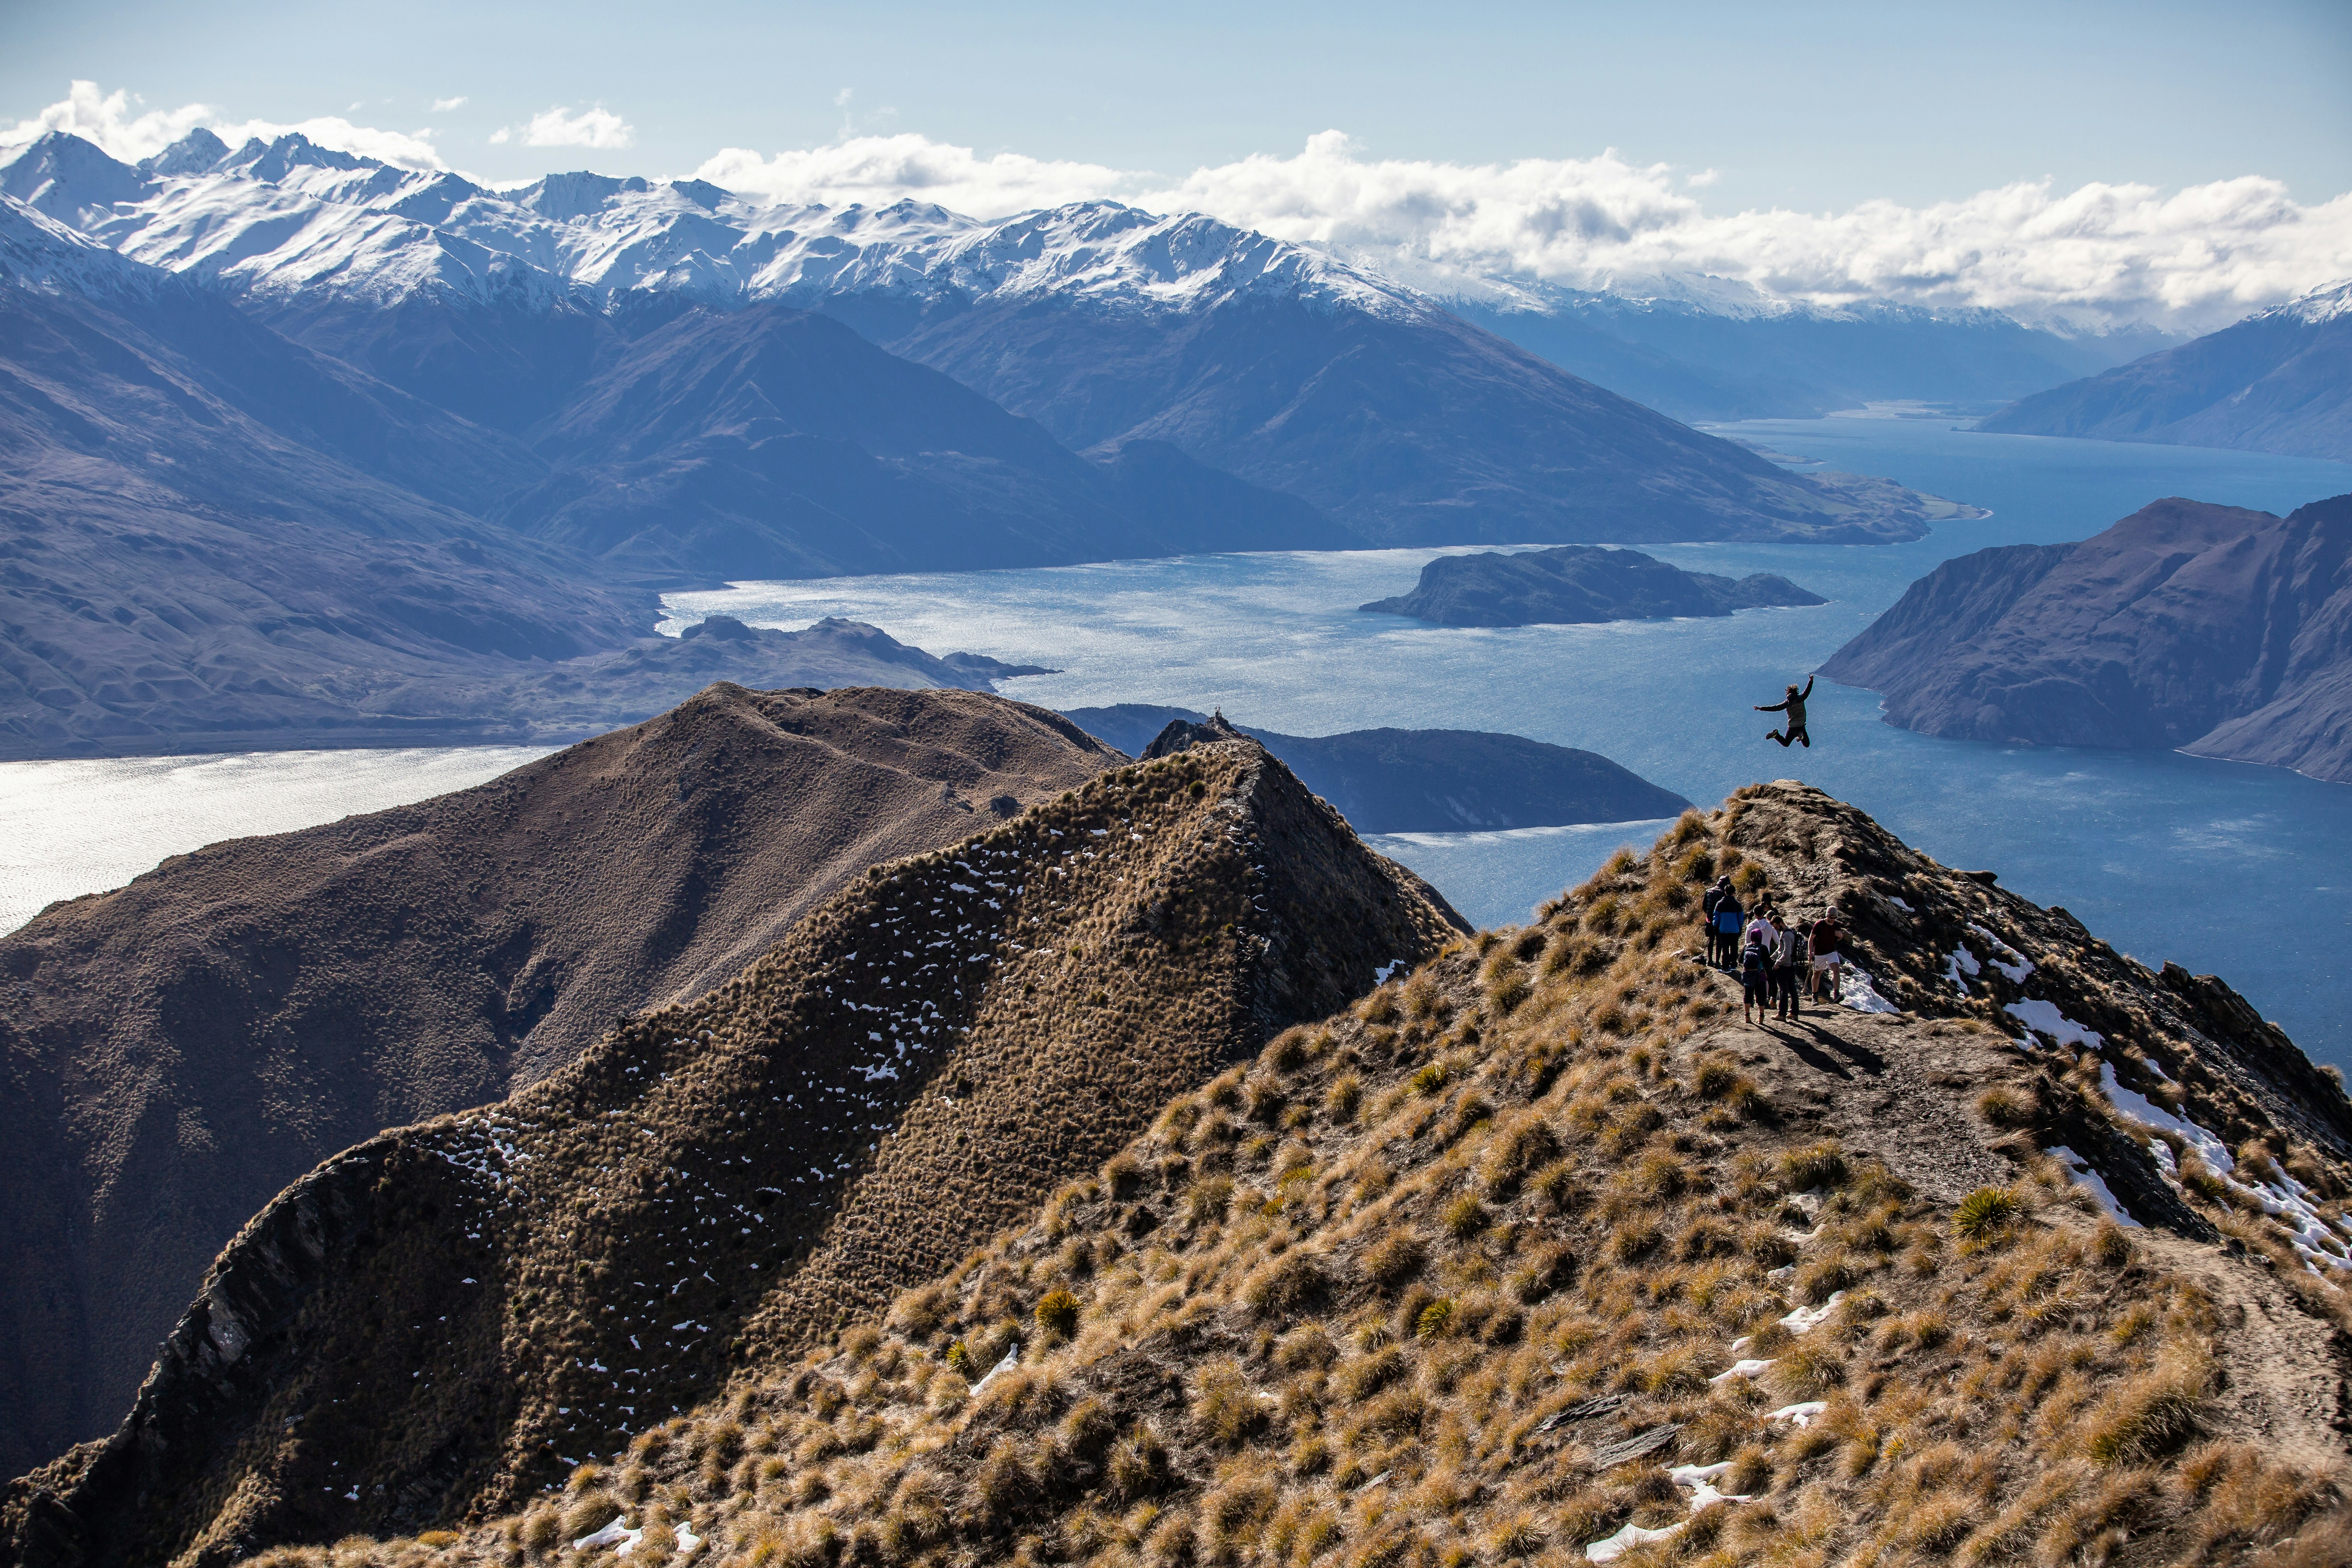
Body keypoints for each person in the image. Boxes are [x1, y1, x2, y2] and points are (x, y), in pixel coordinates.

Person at [1757, 675, 1815, 748]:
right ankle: (1801, 736)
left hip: (1792, 727)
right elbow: (1807, 691)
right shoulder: (1800, 699)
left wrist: (1761, 708)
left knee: (1786, 743)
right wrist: (1811, 681)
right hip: (1801, 726)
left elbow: (1775, 708)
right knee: (1807, 745)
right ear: (1796, 692)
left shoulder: (1787, 703)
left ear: (1788, 693)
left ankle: (1776, 735)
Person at [1773, 915, 1809, 1021]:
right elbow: (1781, 949)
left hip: (1785, 966)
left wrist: (1778, 963)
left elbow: (1786, 953)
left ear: (1780, 923)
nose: (1776, 929)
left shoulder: (1786, 936)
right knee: (1792, 989)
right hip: (1793, 965)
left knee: (1783, 990)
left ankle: (1782, 1014)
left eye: (1776, 927)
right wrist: (1772, 957)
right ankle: (1794, 1012)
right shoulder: (1791, 932)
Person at [1739, 924, 1772, 1025]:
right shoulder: (1763, 948)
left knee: (1748, 995)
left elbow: (1740, 960)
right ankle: (1761, 1018)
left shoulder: (1747, 947)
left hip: (1749, 975)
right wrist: (1769, 976)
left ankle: (1747, 1017)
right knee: (1761, 997)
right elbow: (1768, 963)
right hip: (1760, 975)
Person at [1809, 909, 1844, 1002]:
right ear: (1827, 916)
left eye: (1835, 918)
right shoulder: (1819, 925)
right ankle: (1815, 996)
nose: (1833, 920)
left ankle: (1836, 994)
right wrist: (1810, 952)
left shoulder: (1837, 925)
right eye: (1831, 918)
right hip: (1819, 953)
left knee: (1836, 969)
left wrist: (1841, 936)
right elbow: (1811, 938)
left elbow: (1838, 938)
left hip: (1831, 952)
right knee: (1817, 974)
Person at [1711, 887, 1745, 969]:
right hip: (1735, 930)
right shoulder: (1737, 904)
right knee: (1734, 947)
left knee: (1725, 948)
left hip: (1724, 929)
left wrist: (1715, 926)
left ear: (1725, 892)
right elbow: (1741, 918)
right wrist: (1740, 928)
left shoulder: (1720, 904)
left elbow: (1716, 917)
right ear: (1734, 893)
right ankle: (1733, 965)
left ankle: (1725, 966)